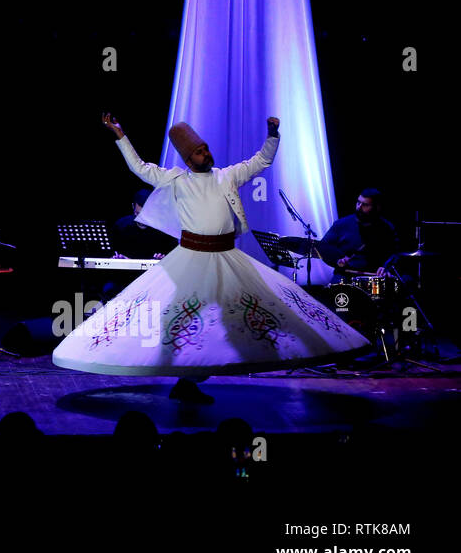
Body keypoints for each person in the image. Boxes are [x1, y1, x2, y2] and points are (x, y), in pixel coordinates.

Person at [52, 114, 369, 403]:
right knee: (184, 319)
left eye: (206, 149)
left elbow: (261, 163)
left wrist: (273, 135)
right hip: (191, 258)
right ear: (189, 159)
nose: (206, 154)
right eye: (200, 151)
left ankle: (200, 376)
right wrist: (120, 136)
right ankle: (184, 379)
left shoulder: (226, 176)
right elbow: (140, 168)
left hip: (225, 257)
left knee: (241, 314)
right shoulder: (176, 180)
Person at [321, 189, 399, 282]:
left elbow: (395, 253)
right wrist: (337, 260)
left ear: (377, 207)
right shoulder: (341, 224)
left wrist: (386, 267)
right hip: (344, 275)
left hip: (374, 278)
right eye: (358, 203)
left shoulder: (387, 228)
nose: (359, 207)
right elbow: (323, 248)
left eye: (365, 205)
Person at [111, 187, 177, 260]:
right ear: (133, 207)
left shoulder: (165, 228)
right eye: (138, 214)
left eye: (147, 214)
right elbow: (112, 253)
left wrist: (163, 260)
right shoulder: (121, 225)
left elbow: (174, 258)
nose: (142, 220)